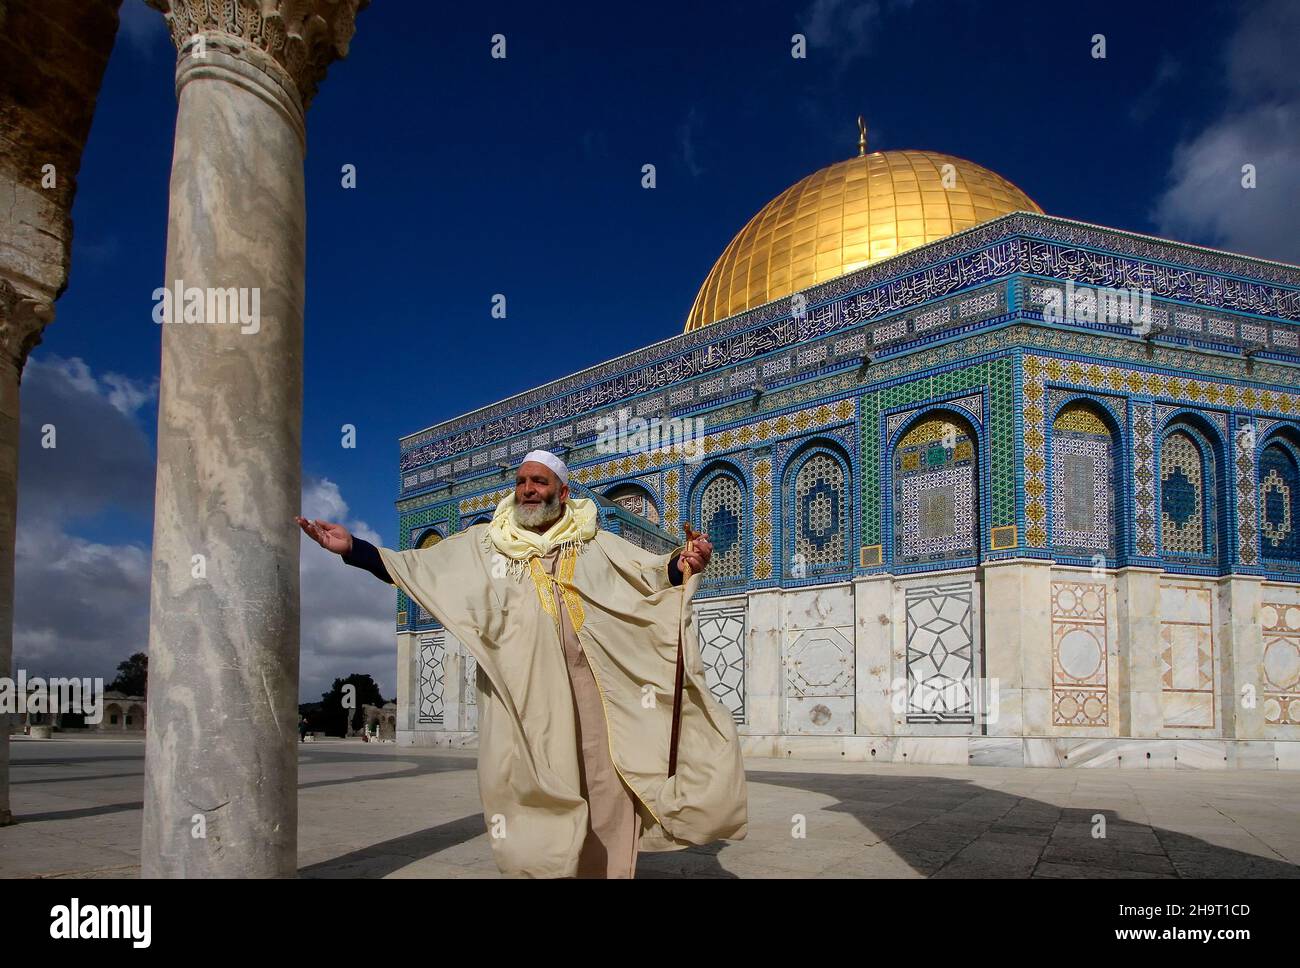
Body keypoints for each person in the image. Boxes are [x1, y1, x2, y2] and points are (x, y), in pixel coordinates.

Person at [297, 450, 748, 878]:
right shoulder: (485, 545)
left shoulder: (596, 544)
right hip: (524, 699)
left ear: (563, 493)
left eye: (538, 481)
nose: (527, 489)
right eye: (520, 482)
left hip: (597, 698)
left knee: (606, 794)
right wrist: (353, 547)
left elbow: (652, 576)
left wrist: (684, 562)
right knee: (528, 796)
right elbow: (420, 568)